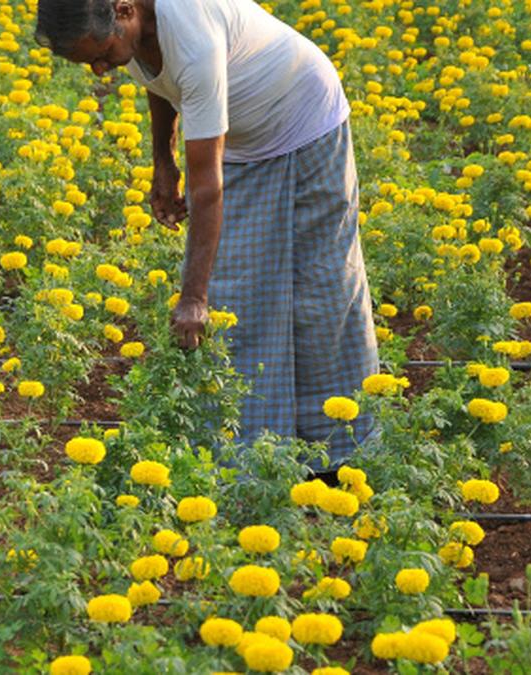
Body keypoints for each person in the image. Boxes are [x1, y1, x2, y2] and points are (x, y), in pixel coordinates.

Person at [35, 0, 378, 466]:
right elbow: (158, 79)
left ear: (123, 11)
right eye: (87, 62)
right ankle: (255, 464)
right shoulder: (134, 28)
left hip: (305, 121)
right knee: (240, 300)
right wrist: (163, 160)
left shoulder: (192, 37)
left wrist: (194, 297)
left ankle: (340, 452)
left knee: (316, 289)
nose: (99, 69)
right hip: (243, 136)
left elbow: (207, 190)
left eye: (101, 54)